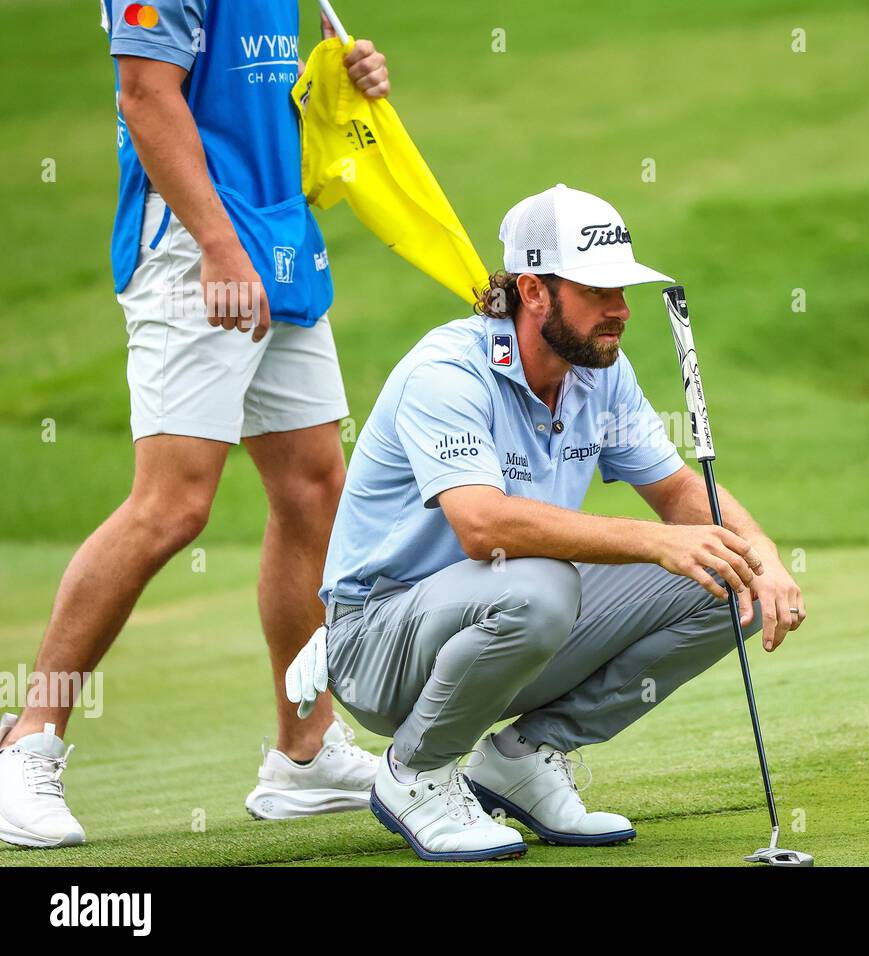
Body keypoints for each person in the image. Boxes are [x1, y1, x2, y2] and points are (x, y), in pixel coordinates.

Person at [289, 184, 807, 862]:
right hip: (379, 644)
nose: (621, 311)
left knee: (727, 574)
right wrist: (656, 542)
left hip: (508, 624)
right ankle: (415, 770)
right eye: (599, 291)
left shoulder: (601, 372)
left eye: (623, 291)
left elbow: (679, 490)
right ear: (533, 291)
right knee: (540, 586)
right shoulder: (448, 371)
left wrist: (761, 553)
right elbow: (481, 526)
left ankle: (523, 755)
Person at [0, 1, 391, 848]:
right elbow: (144, 93)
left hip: (278, 230)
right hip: (193, 243)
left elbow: (262, 88)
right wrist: (217, 243)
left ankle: (305, 753)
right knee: (173, 506)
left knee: (315, 487)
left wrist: (346, 79)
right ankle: (26, 743)